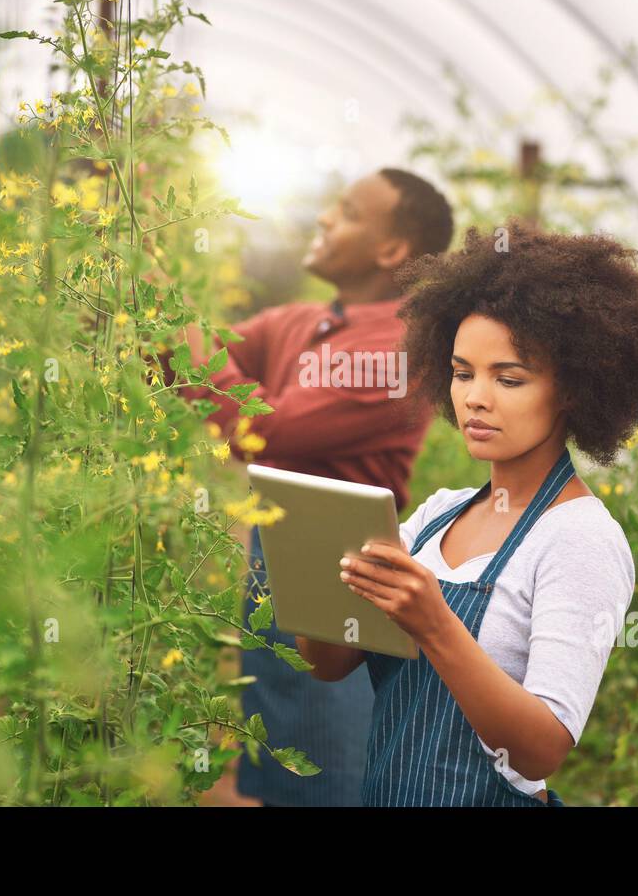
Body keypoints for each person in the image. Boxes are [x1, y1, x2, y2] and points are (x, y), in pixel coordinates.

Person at [296, 221, 638, 805]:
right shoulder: (436, 517)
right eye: (461, 372)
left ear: (574, 390)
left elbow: (541, 748)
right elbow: (329, 665)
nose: (476, 397)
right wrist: (326, 585)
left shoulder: (579, 539)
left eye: (509, 378)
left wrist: (434, 624)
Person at [164, 168, 454, 805]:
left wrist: (166, 307)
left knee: (325, 769)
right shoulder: (306, 321)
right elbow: (211, 357)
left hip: (341, 563)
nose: (325, 218)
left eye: (347, 212)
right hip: (277, 548)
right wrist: (145, 317)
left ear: (391, 250)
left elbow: (264, 429)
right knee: (277, 751)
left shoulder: (401, 348)